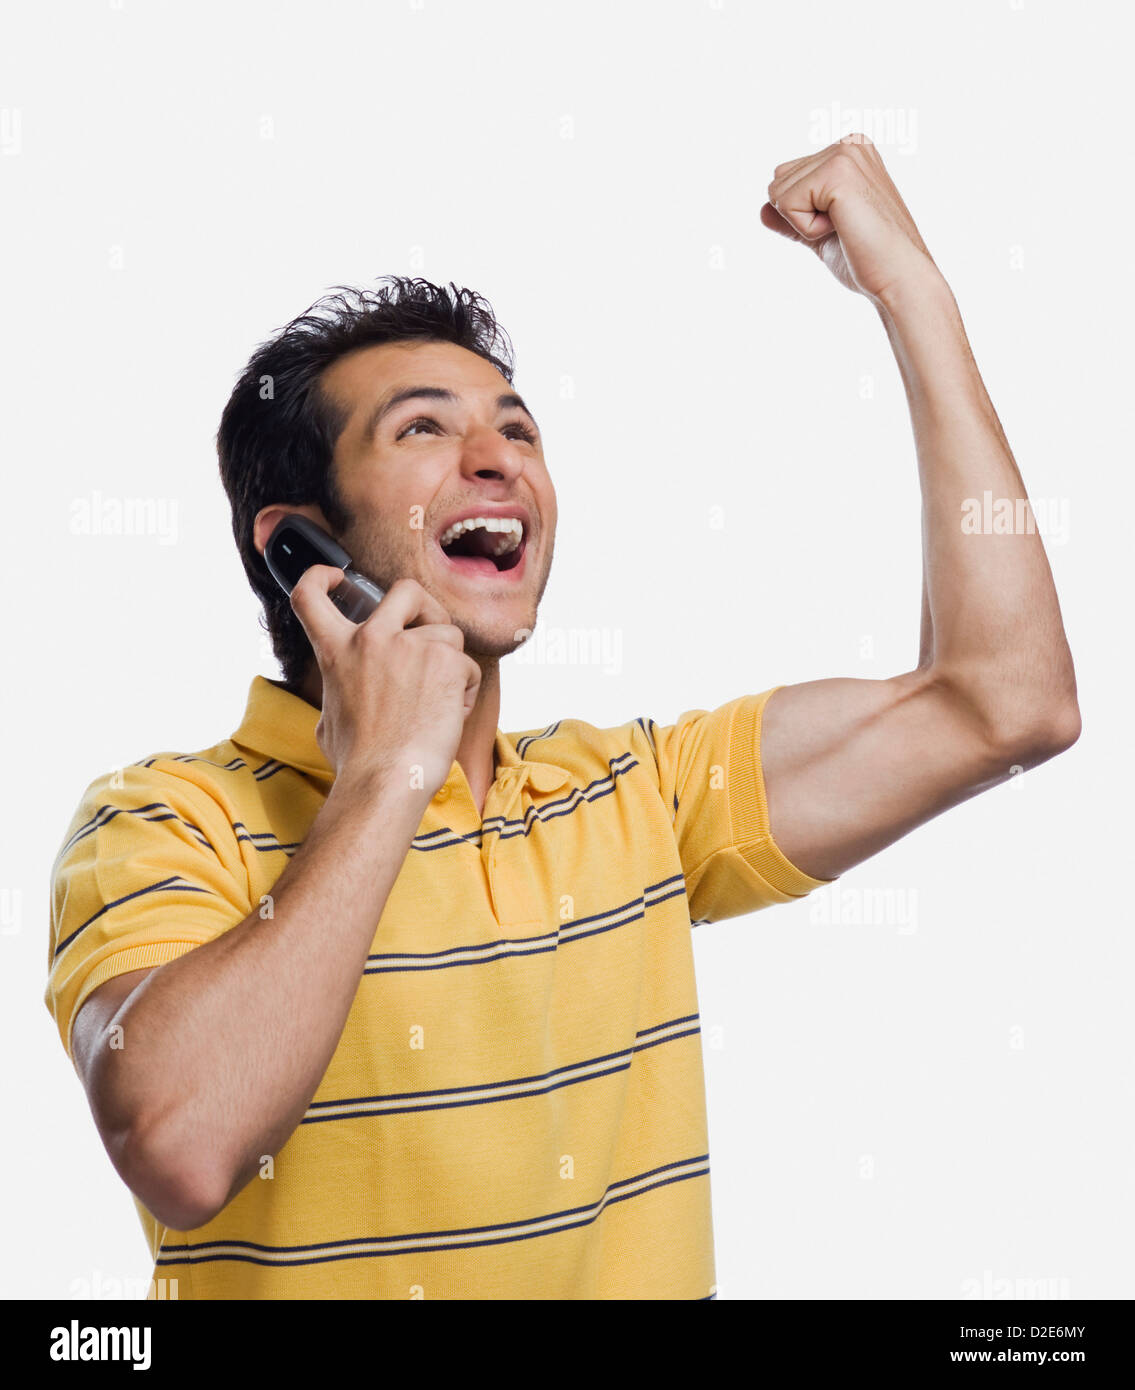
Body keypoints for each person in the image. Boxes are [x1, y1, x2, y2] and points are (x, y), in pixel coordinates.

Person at [46, 135, 1080, 1300]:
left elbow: (1007, 701)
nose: (499, 460)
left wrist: (915, 295)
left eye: (520, 429)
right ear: (297, 541)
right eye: (424, 430)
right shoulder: (159, 822)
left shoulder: (632, 792)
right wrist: (385, 775)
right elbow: (180, 1144)